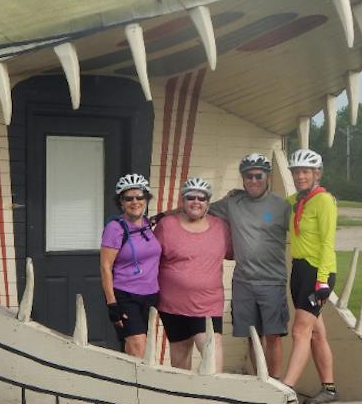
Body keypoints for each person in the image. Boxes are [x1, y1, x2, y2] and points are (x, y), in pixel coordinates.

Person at [209, 152, 291, 377]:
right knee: (252, 335)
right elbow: (198, 207)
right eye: (248, 176)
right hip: (243, 282)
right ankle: (260, 380)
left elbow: (307, 233)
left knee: (273, 335)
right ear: (242, 178)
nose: (253, 181)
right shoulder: (232, 203)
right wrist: (164, 216)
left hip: (272, 281)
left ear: (268, 177)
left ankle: (277, 384)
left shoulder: (282, 206)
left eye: (258, 176)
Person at [276, 147, 340, 404]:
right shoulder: (294, 201)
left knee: (300, 331)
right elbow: (270, 216)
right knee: (315, 334)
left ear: (317, 173)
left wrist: (323, 280)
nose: (300, 176)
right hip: (299, 272)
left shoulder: (324, 201)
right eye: (296, 171)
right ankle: (330, 389)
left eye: (305, 171)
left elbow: (328, 243)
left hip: (317, 273)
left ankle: (285, 390)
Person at [153, 178, 230, 370]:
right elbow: (151, 259)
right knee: (180, 357)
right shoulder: (166, 225)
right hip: (172, 305)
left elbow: (235, 253)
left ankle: (216, 397)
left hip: (207, 305)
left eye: (201, 198)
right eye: (191, 197)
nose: (196, 201)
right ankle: (182, 398)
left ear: (208, 202)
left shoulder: (221, 227)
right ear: (183, 200)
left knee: (211, 355)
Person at [98, 173, 160, 358]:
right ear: (121, 202)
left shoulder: (148, 224)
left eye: (140, 197)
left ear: (146, 199)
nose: (135, 202)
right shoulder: (114, 228)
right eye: (128, 198)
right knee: (137, 344)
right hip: (126, 295)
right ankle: (136, 385)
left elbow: (176, 212)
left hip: (151, 295)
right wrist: (112, 304)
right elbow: (105, 267)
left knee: (144, 346)